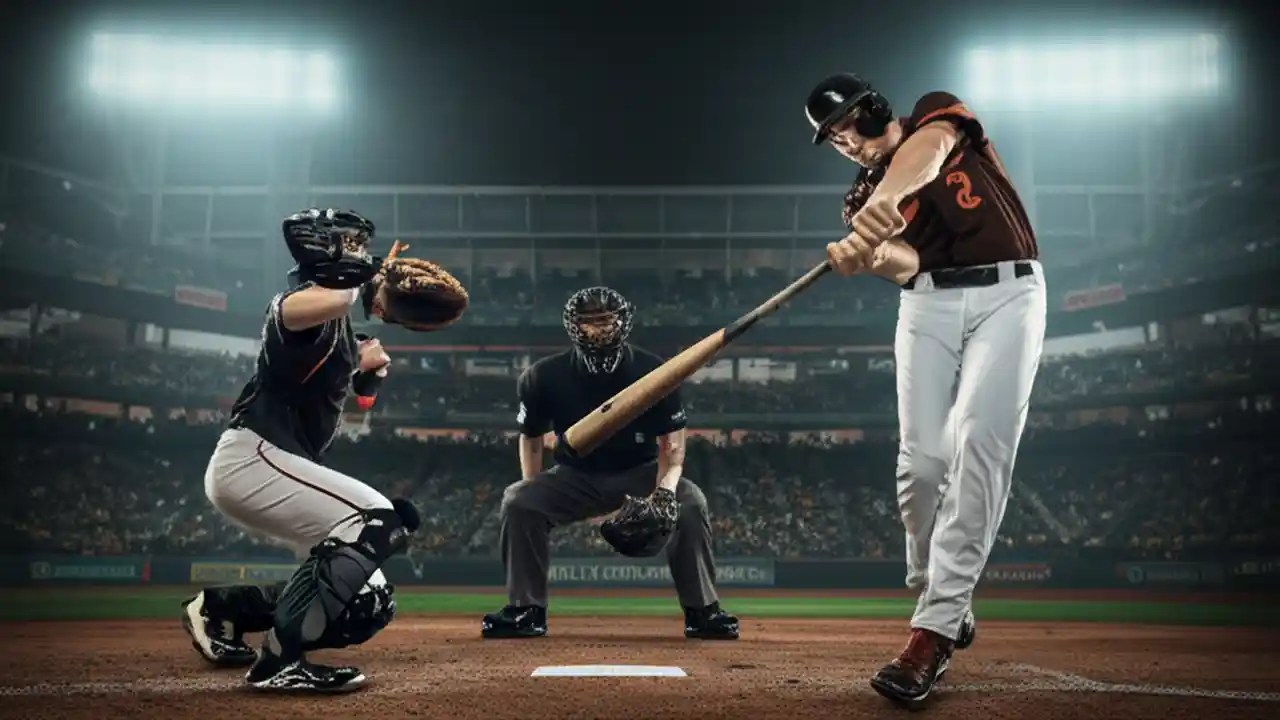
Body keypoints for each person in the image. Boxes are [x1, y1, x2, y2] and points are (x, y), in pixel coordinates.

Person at [806, 73, 1046, 707]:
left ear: (872, 110)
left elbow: (932, 149)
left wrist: (885, 201)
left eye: (845, 129)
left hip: (1009, 293)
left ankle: (933, 630)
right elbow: (907, 265)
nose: (844, 145)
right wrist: (868, 254)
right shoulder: (857, 200)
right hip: (928, 304)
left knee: (979, 447)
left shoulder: (932, 115)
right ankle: (937, 582)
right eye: (831, 140)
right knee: (922, 464)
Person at [181, 208, 425, 693]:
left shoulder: (338, 328)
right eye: (351, 244)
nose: (361, 253)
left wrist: (366, 371)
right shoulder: (292, 305)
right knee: (379, 517)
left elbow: (353, 402)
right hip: (253, 455)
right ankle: (279, 662)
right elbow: (331, 303)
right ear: (320, 248)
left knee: (366, 601)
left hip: (278, 462)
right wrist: (367, 284)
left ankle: (222, 608)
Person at [480, 286, 738, 640]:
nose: (599, 328)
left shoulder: (654, 371)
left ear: (622, 321)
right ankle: (526, 610)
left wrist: (664, 491)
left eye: (606, 320)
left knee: (690, 503)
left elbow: (673, 445)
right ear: (574, 327)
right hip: (575, 475)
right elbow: (531, 438)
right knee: (518, 500)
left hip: (642, 472)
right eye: (589, 323)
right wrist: (531, 484)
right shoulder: (543, 377)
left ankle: (702, 612)